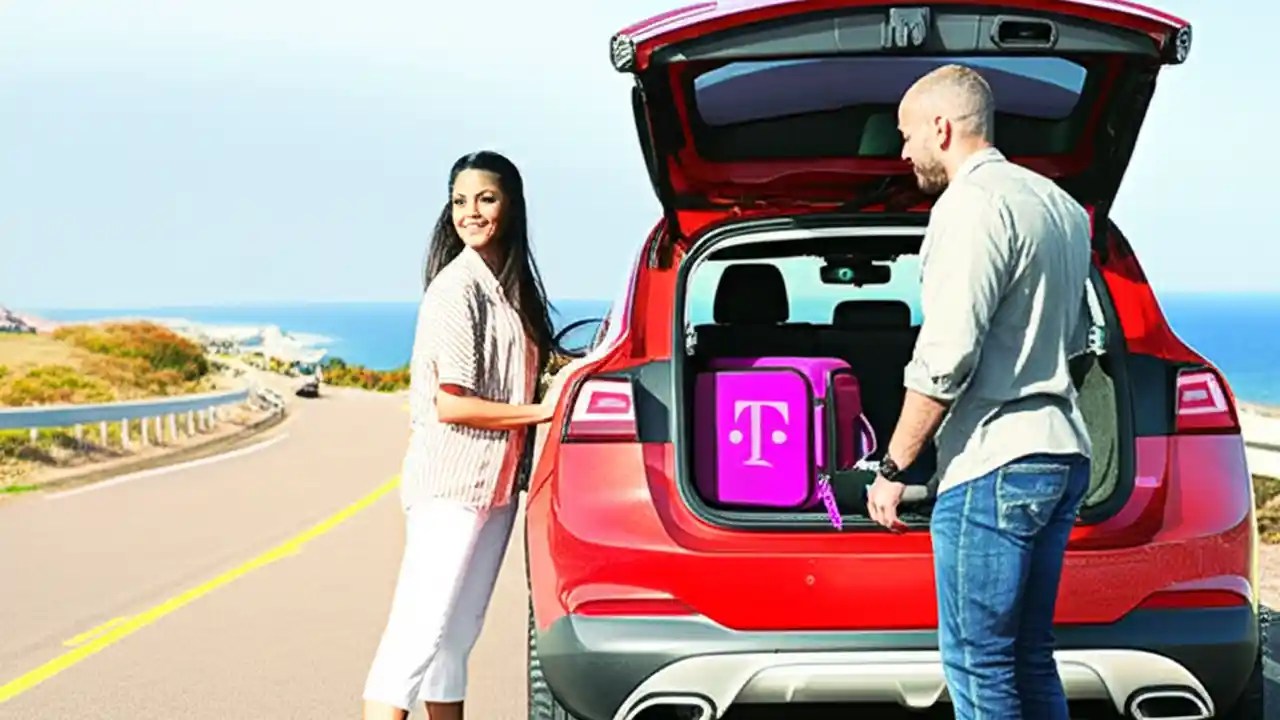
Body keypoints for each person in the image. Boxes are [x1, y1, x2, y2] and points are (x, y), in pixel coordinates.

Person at [865, 64, 1093, 719]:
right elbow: (1076, 344)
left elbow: (946, 356)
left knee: (979, 666)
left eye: (907, 136)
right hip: (1061, 452)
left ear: (942, 127)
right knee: (1028, 658)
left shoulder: (968, 207)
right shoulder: (1058, 206)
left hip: (994, 463)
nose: (902, 152)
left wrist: (891, 468)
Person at [362, 150, 569, 720]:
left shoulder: (511, 289)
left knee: (454, 643)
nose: (470, 212)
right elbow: (451, 404)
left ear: (512, 206)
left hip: (496, 490)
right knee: (414, 638)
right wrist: (540, 413)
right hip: (451, 487)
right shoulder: (458, 290)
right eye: (459, 200)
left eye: (486, 198)